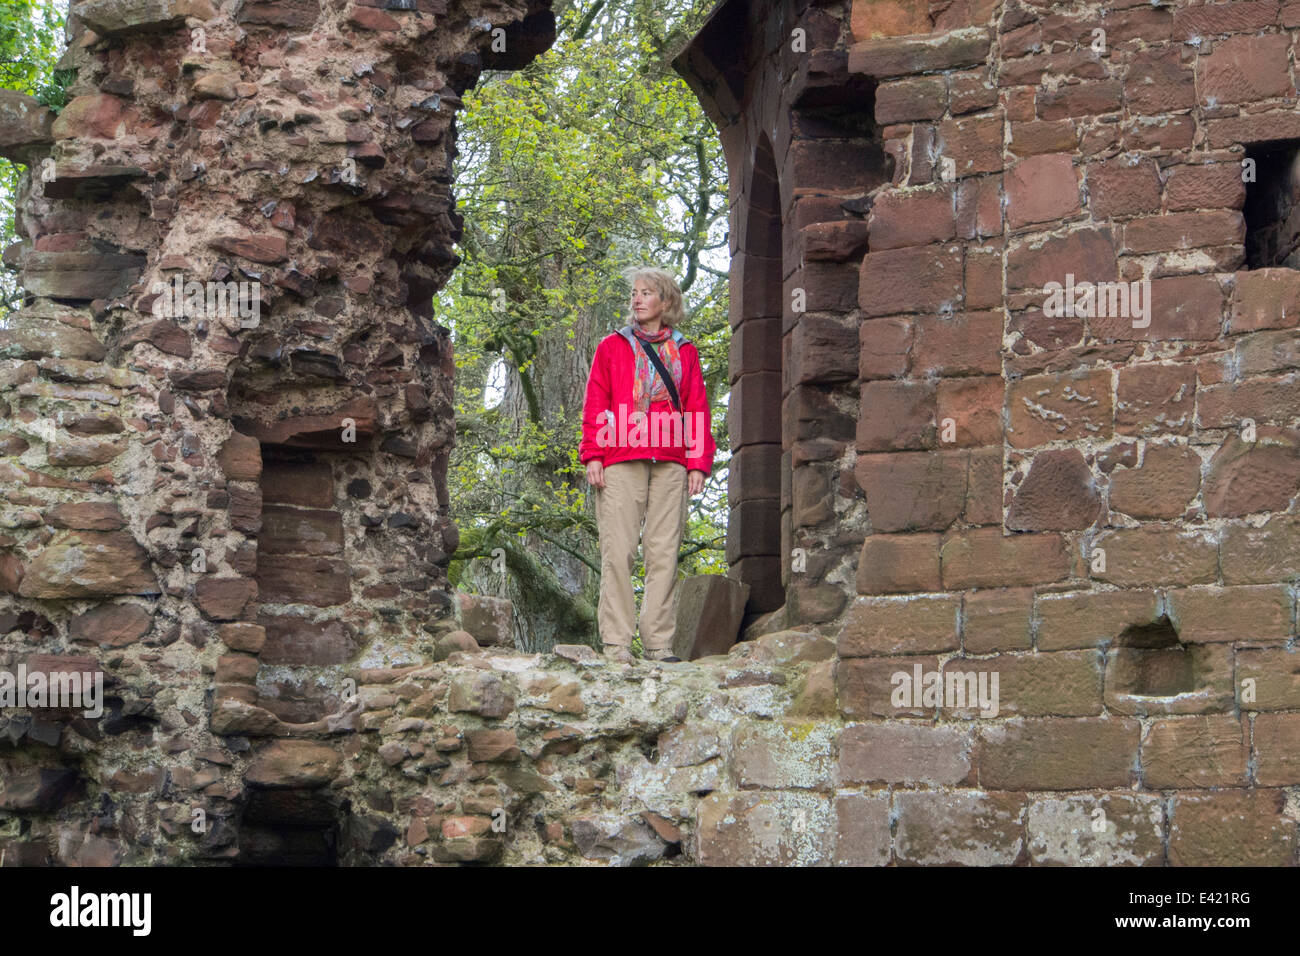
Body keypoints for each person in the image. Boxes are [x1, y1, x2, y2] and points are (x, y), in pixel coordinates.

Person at [580, 267, 715, 663]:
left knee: (663, 553)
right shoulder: (611, 347)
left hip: (671, 461)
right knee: (618, 551)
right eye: (634, 293)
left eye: (647, 293)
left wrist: (698, 463)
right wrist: (593, 454)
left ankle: (658, 644)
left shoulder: (685, 351)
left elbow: (696, 408)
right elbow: (595, 403)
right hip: (620, 459)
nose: (637, 299)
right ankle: (617, 644)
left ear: (666, 302)